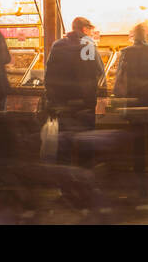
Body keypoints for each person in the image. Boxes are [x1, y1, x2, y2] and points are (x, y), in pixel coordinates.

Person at [114, 21, 148, 196]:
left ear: (133, 35)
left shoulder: (125, 53)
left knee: (137, 145)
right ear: (147, 35)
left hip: (134, 103)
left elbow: (118, 81)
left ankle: (139, 186)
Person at [44, 16, 105, 166]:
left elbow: (49, 73)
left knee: (64, 142)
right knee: (86, 141)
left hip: (62, 102)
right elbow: (97, 70)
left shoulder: (57, 45)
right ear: (84, 29)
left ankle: (64, 180)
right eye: (90, 29)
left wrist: (52, 98)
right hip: (83, 103)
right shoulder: (87, 44)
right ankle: (84, 174)